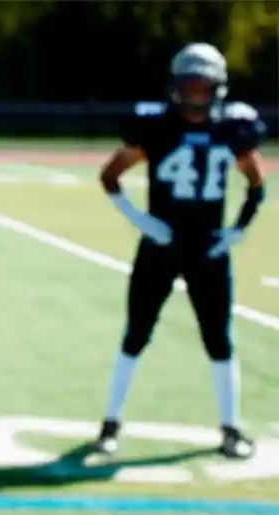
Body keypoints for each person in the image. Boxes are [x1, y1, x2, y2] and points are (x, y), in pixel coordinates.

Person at [94, 42, 267, 459]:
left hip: (208, 251)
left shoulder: (234, 130)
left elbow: (257, 185)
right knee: (136, 334)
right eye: (188, 85)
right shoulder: (154, 127)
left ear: (218, 88)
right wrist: (143, 221)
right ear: (174, 86)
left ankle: (229, 427)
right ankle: (110, 424)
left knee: (219, 340)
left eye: (203, 86)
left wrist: (236, 230)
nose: (194, 94)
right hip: (161, 248)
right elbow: (110, 175)